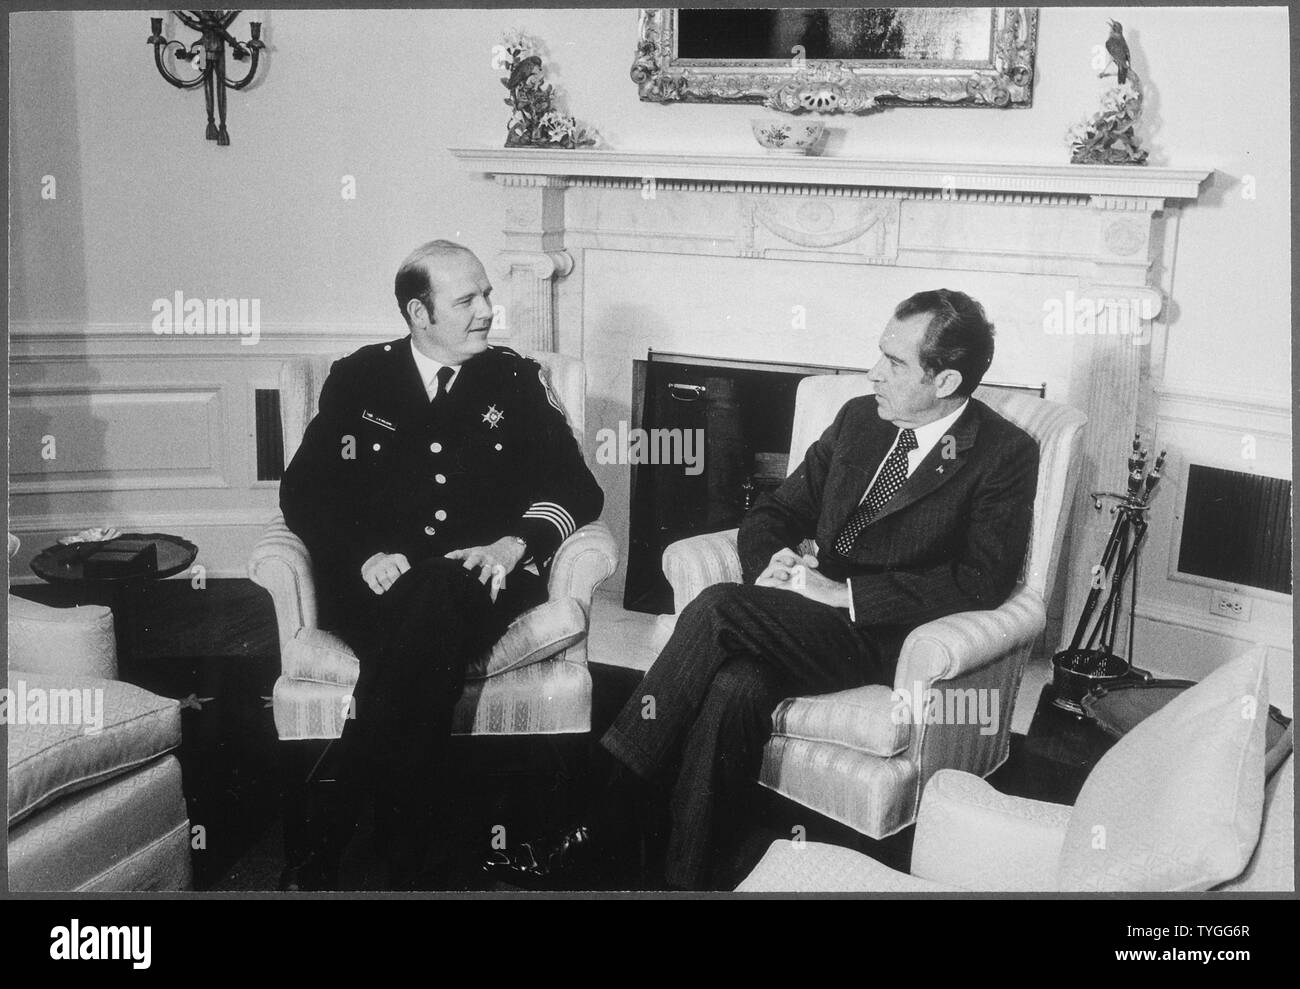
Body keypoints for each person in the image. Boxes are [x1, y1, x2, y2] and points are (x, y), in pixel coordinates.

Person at [490, 288, 1039, 890]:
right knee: (735, 687)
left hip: (890, 641)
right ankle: (686, 877)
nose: (874, 373)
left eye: (896, 363)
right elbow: (778, 510)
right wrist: (769, 564)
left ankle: (600, 819)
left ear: (946, 381)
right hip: (803, 618)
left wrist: (845, 594)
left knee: (717, 609)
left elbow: (980, 582)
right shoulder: (860, 419)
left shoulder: (1002, 453)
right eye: (879, 354)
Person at [279, 240, 603, 889]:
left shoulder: (514, 380)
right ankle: (401, 844)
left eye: (486, 293)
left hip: (479, 584)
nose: (488, 309)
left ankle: (345, 819)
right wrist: (362, 553)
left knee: (440, 593)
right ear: (419, 313)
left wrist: (514, 544)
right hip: (376, 587)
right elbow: (305, 490)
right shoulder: (360, 377)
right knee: (422, 614)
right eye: (468, 299)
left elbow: (576, 487)